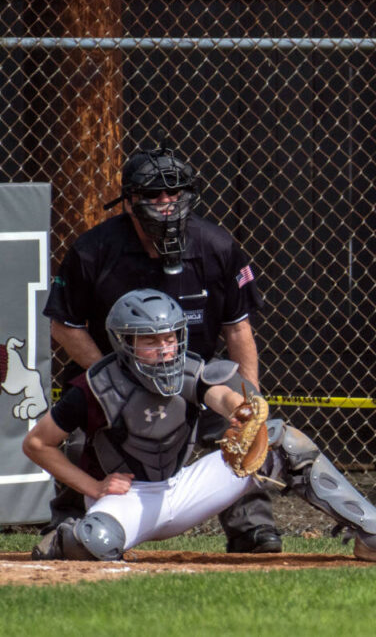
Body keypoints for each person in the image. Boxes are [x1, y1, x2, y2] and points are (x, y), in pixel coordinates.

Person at [24, 289, 376, 563]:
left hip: (182, 489)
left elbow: (218, 394)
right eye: (150, 341)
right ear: (124, 342)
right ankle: (64, 538)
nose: (165, 349)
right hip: (128, 499)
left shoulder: (189, 370)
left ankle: (375, 536)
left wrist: (241, 411)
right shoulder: (96, 387)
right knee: (96, 542)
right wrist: (94, 488)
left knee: (280, 438)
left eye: (170, 338)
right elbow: (37, 444)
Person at [41, 144, 281, 554]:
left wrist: (250, 398)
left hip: (194, 377)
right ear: (129, 201)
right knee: (85, 439)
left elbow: (238, 328)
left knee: (243, 430)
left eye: (175, 192)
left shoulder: (216, 246)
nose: (166, 202)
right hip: (114, 375)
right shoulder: (94, 250)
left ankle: (251, 528)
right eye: (153, 194)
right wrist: (114, 380)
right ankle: (68, 524)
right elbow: (64, 325)